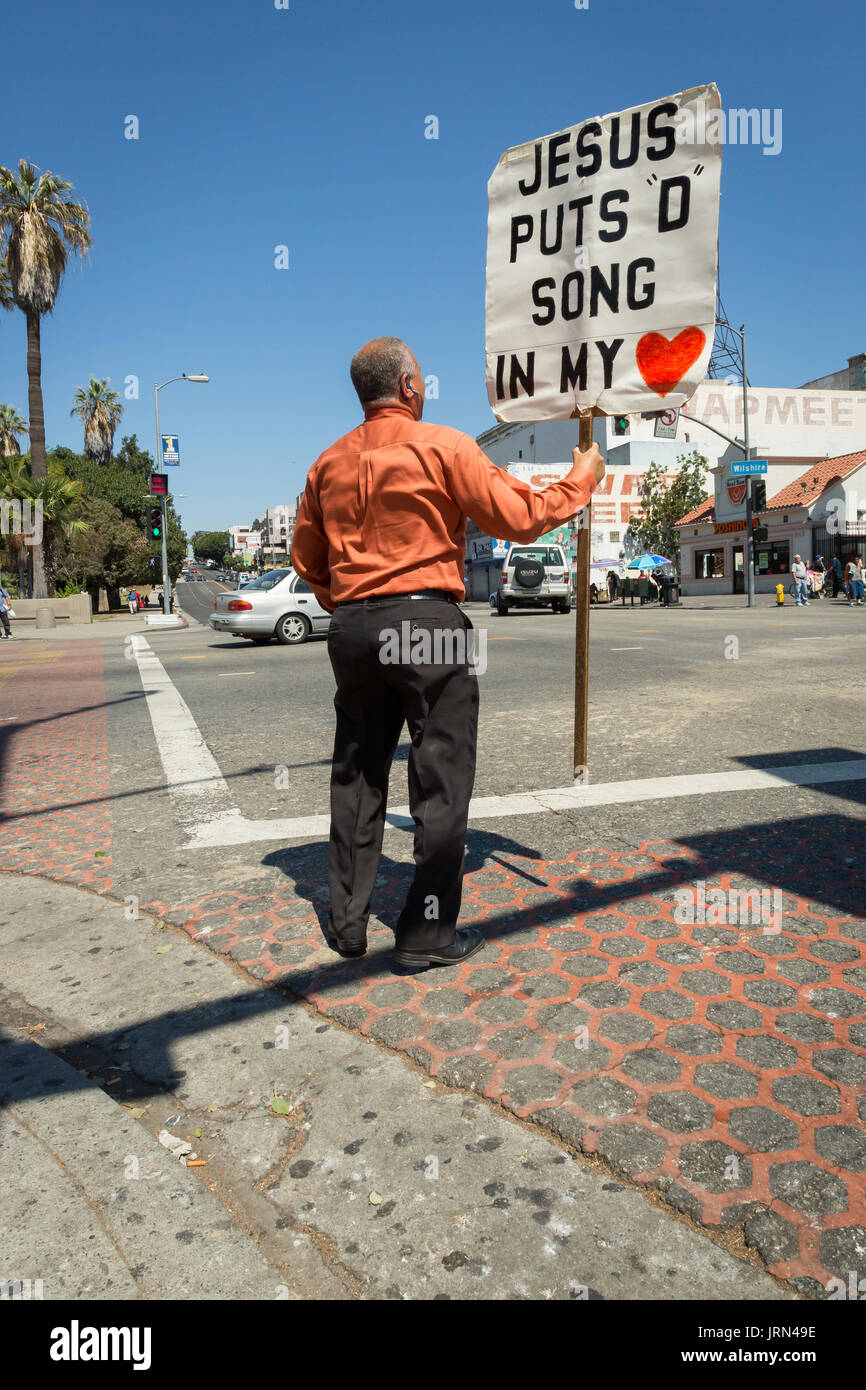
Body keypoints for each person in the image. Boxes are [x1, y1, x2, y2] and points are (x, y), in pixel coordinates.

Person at [292, 337, 604, 969]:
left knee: (357, 769)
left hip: (351, 626)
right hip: (428, 619)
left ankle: (348, 923)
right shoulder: (444, 445)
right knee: (440, 776)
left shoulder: (325, 464)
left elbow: (306, 560)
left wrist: (350, 605)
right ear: (411, 387)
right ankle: (426, 931)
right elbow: (518, 517)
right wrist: (581, 481)